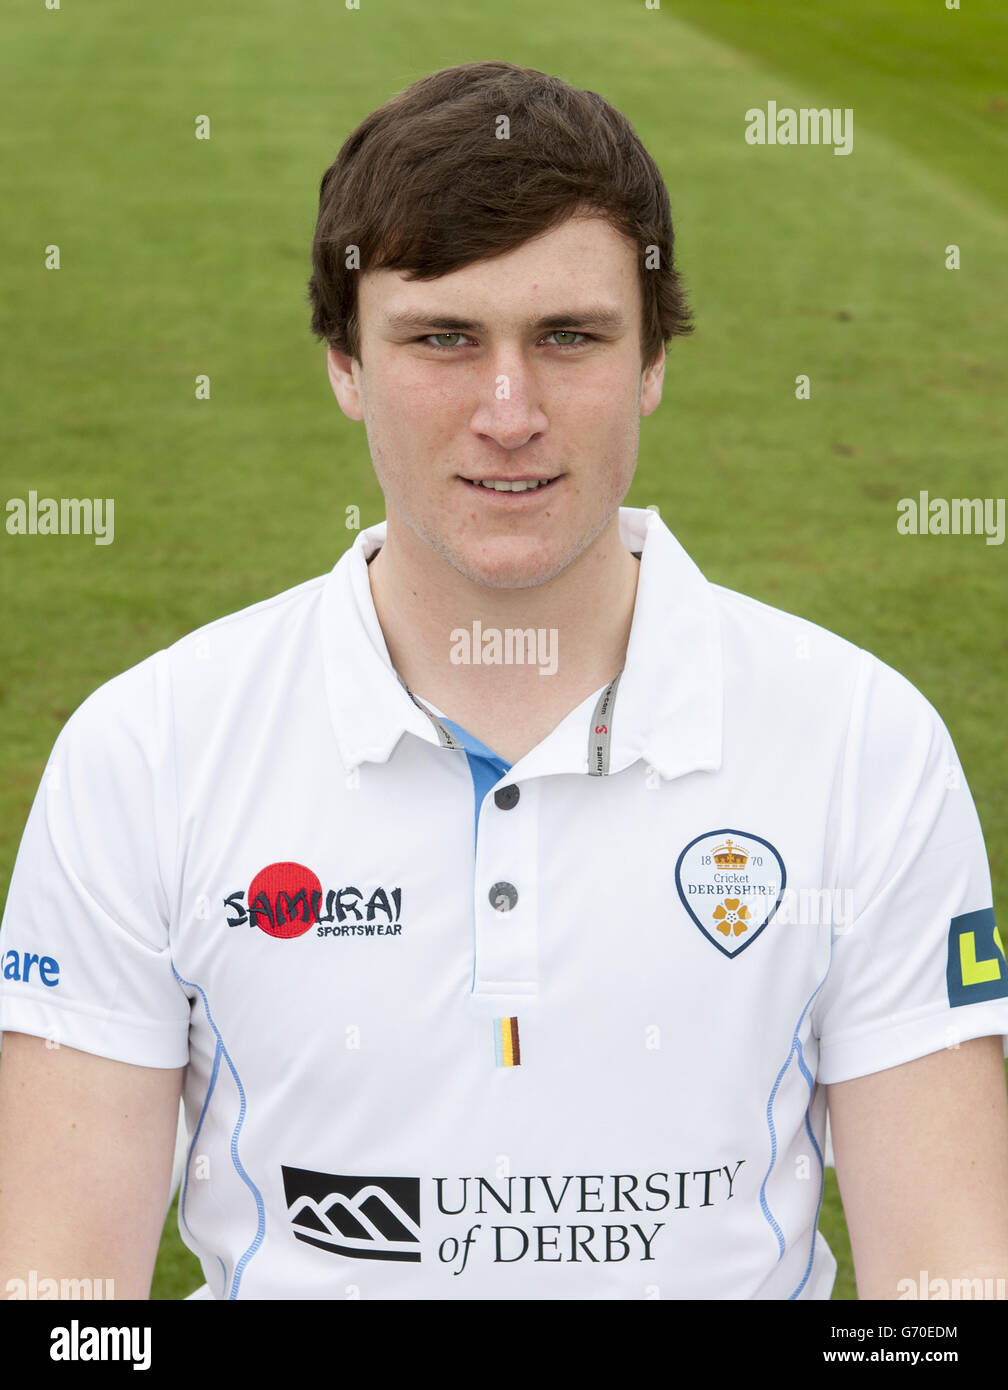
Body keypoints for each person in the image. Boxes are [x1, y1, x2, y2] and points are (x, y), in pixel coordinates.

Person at [1, 59, 1006, 1302]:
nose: (509, 408)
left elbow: (952, 1291)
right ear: (345, 364)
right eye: (442, 339)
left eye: (568, 337)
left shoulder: (862, 741)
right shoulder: (146, 752)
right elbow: (60, 1308)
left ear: (652, 361)